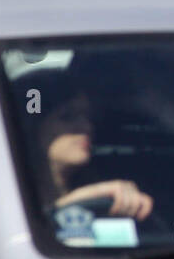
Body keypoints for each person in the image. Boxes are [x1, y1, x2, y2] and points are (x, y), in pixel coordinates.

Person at [23, 73, 155, 221]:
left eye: (88, 117)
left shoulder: (106, 188)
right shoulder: (11, 196)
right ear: (33, 129)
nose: (87, 127)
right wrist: (88, 197)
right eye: (68, 117)